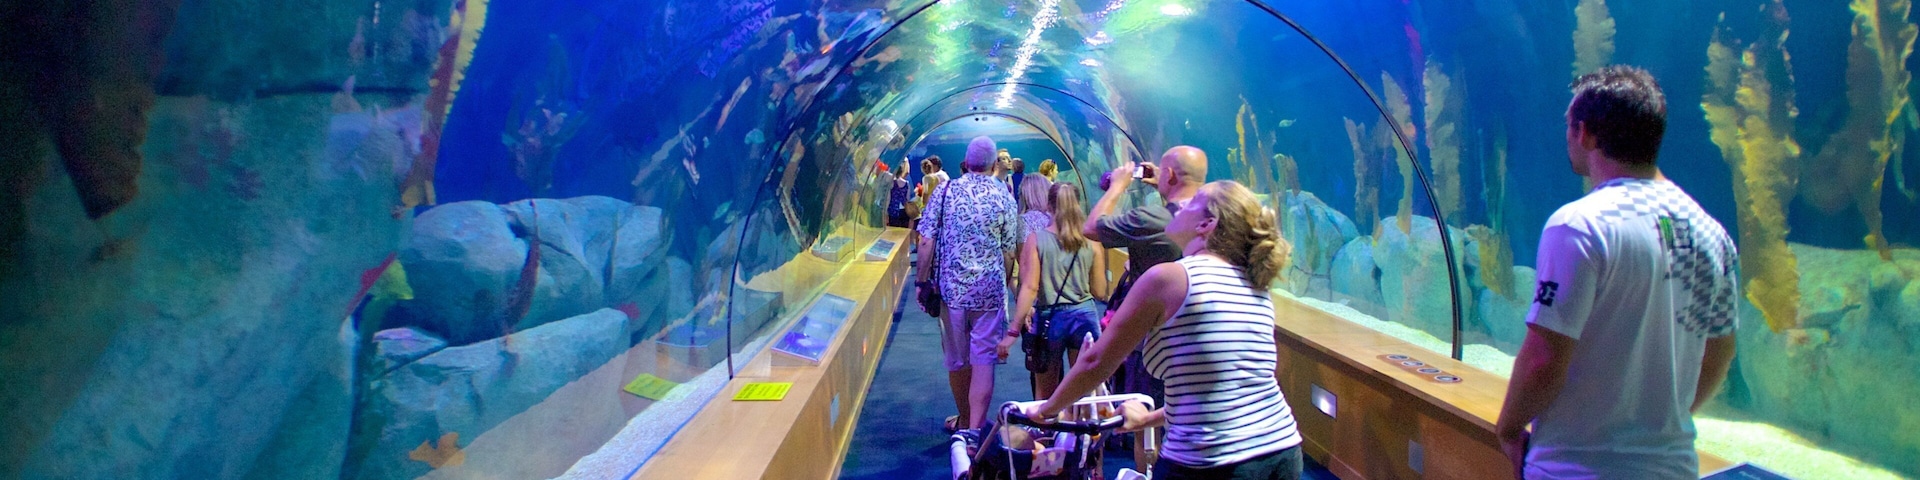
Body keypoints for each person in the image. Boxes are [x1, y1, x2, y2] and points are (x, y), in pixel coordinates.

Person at [1494, 66, 1739, 480]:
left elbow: (1544, 357)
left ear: (1586, 133)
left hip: (1576, 467)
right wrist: (1663, 423)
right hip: (1673, 468)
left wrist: (1509, 427)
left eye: (1569, 127)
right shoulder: (1711, 233)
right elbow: (1719, 351)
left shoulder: (1579, 225)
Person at [1031, 180, 1301, 480]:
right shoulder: (1254, 284)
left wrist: (1047, 410)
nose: (1179, 204)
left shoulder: (1169, 278)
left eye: (1193, 201)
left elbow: (1098, 361)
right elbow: (1214, 387)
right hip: (1282, 449)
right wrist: (1148, 418)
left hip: (1210, 459)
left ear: (1206, 224)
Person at [1083, 146, 1208, 407]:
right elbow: (1177, 217)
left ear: (1170, 174)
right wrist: (1166, 188)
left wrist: (1116, 187)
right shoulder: (1214, 217)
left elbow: (1092, 227)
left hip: (1152, 338)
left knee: (1146, 423)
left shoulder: (1150, 219)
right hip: (1199, 334)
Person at [916, 136, 1020, 441]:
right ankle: (976, 430)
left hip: (952, 293)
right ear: (991, 164)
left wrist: (922, 282)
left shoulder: (946, 192)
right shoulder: (1003, 196)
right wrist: (1004, 280)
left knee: (957, 359)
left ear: (966, 161)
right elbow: (1009, 250)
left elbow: (925, 240)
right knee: (984, 360)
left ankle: (963, 422)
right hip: (989, 292)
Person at [1000, 182, 1108, 401]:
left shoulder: (1037, 239)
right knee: (1085, 390)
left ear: (1048, 206)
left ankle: (1048, 434)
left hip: (1050, 318)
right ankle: (1083, 433)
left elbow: (1030, 287)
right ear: (1078, 205)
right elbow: (1099, 291)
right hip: (1084, 317)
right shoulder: (1092, 242)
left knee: (1046, 394)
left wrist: (1013, 332)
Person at [887, 158, 914, 228]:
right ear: (902, 172)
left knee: (893, 229)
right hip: (904, 210)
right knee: (903, 230)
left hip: (893, 210)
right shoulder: (907, 183)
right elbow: (907, 198)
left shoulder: (892, 183)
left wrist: (886, 211)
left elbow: (888, 198)